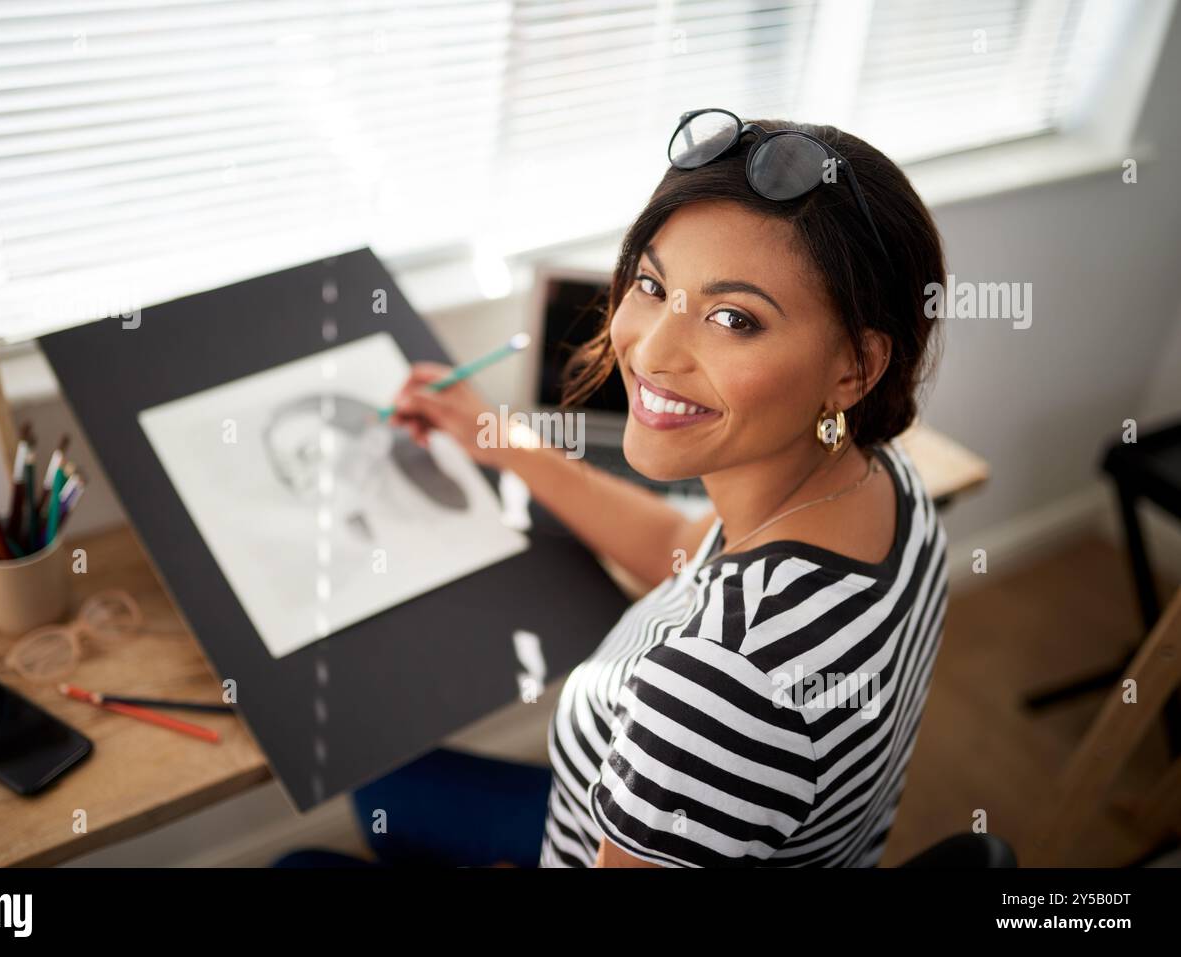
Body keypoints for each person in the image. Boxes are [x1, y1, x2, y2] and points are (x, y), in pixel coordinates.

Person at [287, 113, 949, 868]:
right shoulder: (885, 486)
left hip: (641, 816)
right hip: (645, 810)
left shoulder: (715, 697)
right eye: (651, 282)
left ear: (855, 367)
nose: (654, 351)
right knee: (383, 791)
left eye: (735, 318)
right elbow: (683, 547)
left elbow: (716, 708)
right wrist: (502, 441)